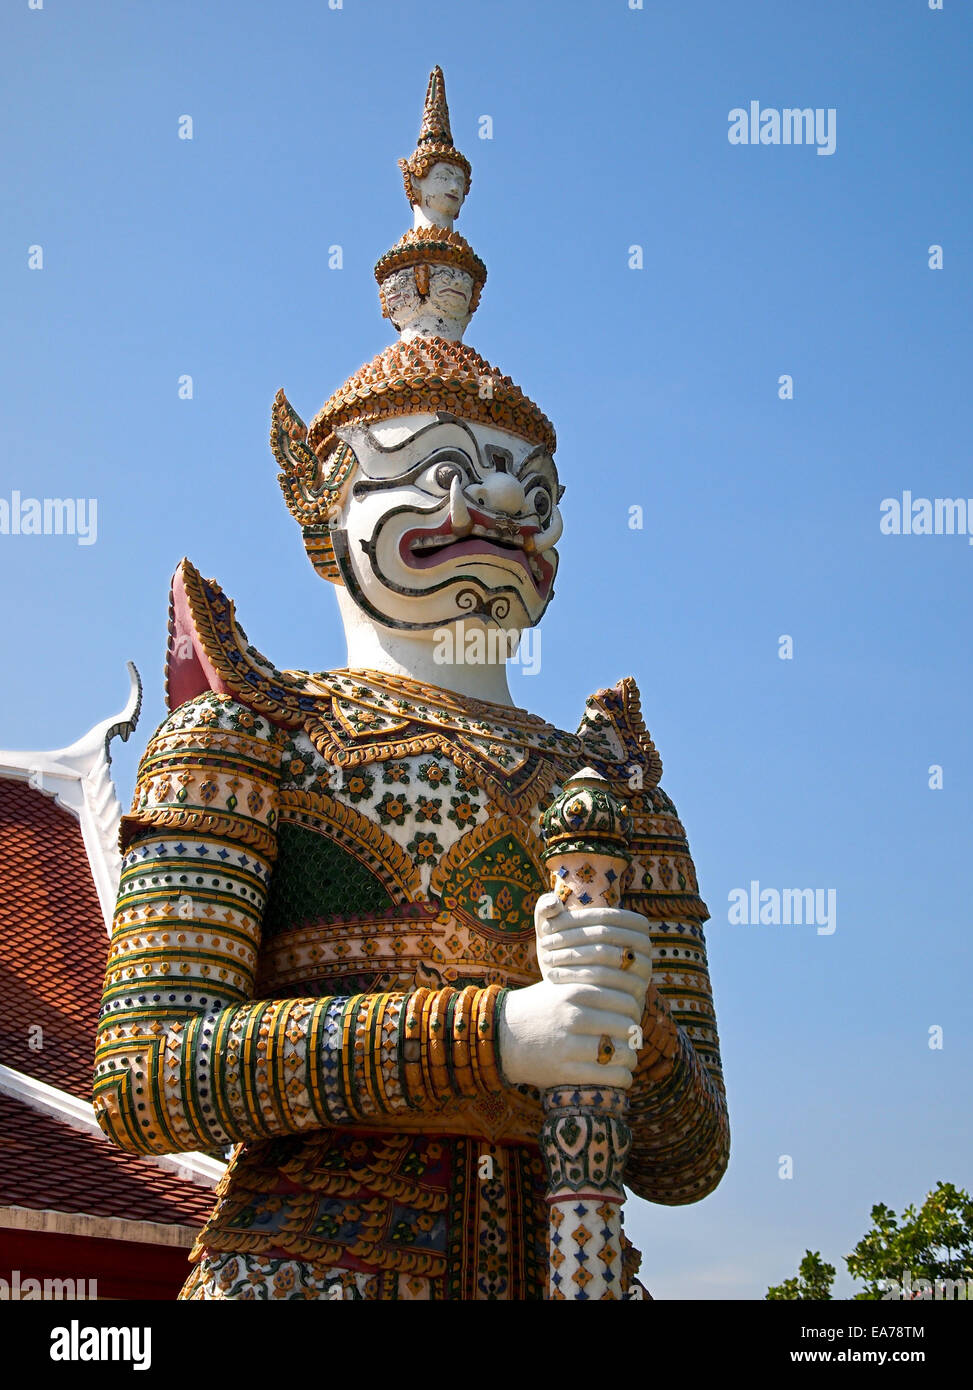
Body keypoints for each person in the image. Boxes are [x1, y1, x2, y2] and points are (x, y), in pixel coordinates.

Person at [93, 67, 729, 1302]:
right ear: (320, 505)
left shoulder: (614, 793)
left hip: (576, 1268)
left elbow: (693, 1154)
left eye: (521, 485)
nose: (490, 505)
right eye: (439, 470)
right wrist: (499, 1035)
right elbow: (146, 1074)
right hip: (314, 1266)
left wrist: (630, 1033)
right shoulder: (252, 737)